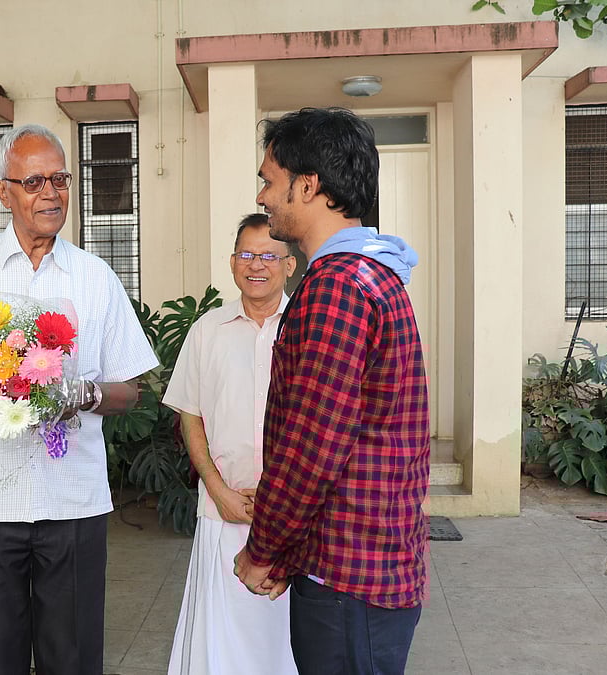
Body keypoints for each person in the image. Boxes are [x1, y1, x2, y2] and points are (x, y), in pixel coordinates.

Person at [0, 124, 157, 675]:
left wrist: (78, 393)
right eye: (35, 180)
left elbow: (131, 388)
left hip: (73, 502)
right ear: (3, 191)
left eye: (60, 179)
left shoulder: (95, 278)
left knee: (74, 655)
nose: (51, 192)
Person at [233, 107, 430, 675]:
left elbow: (312, 446)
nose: (264, 196)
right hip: (363, 565)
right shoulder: (369, 274)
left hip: (349, 575)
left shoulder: (338, 287)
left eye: (270, 180)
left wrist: (263, 549)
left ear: (308, 184)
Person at [163, 213, 298, 675]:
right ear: (232, 262)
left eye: (268, 255)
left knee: (284, 644)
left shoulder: (307, 328)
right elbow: (190, 413)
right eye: (246, 254)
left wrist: (284, 497)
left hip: (293, 519)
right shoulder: (207, 330)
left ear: (289, 265)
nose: (255, 265)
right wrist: (217, 489)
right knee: (221, 650)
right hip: (222, 511)